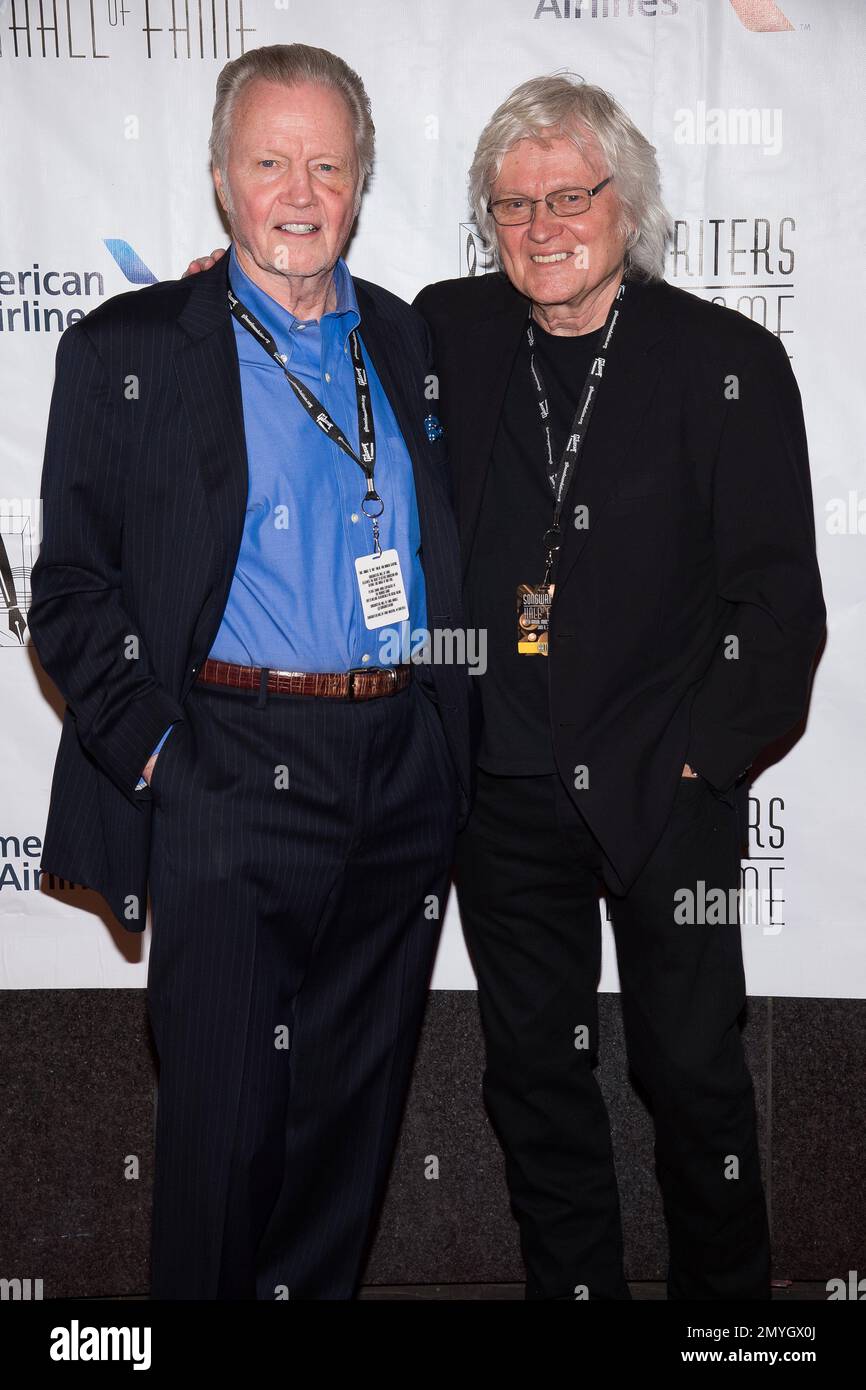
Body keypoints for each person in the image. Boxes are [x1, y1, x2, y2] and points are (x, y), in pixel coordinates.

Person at [183, 73, 827, 1300]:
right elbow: (301, 328)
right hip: (495, 790)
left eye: (567, 196)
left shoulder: (725, 362)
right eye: (511, 205)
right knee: (533, 1073)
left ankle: (731, 1324)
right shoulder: (448, 330)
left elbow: (779, 604)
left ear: (623, 207)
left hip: (662, 789)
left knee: (691, 1071)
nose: (539, 227)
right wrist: (201, 297)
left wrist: (699, 760)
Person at [28, 42, 469, 1301]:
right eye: (270, 161)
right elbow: (69, 591)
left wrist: (442, 754)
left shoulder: (405, 335)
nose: (299, 190)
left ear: (361, 180)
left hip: (395, 777)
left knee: (350, 1133)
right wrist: (167, 758)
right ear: (222, 179)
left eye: (327, 164)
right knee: (221, 1135)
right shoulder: (135, 345)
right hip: (226, 770)